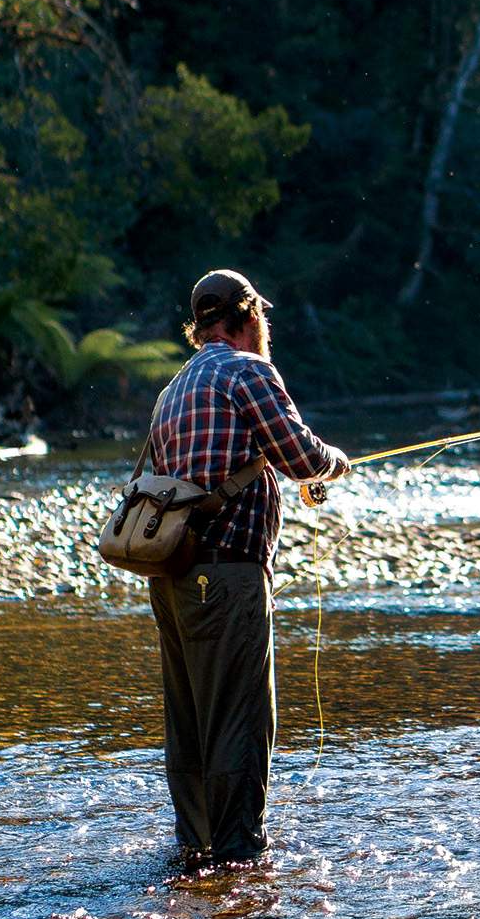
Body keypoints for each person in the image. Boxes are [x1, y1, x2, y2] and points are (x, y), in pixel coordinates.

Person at [146, 268, 350, 868]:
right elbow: (302, 455)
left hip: (173, 577)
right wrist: (335, 464)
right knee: (239, 717)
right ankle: (238, 861)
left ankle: (195, 851)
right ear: (249, 317)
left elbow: (190, 475)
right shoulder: (248, 371)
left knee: (190, 722)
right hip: (228, 575)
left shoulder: (175, 389)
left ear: (201, 326)